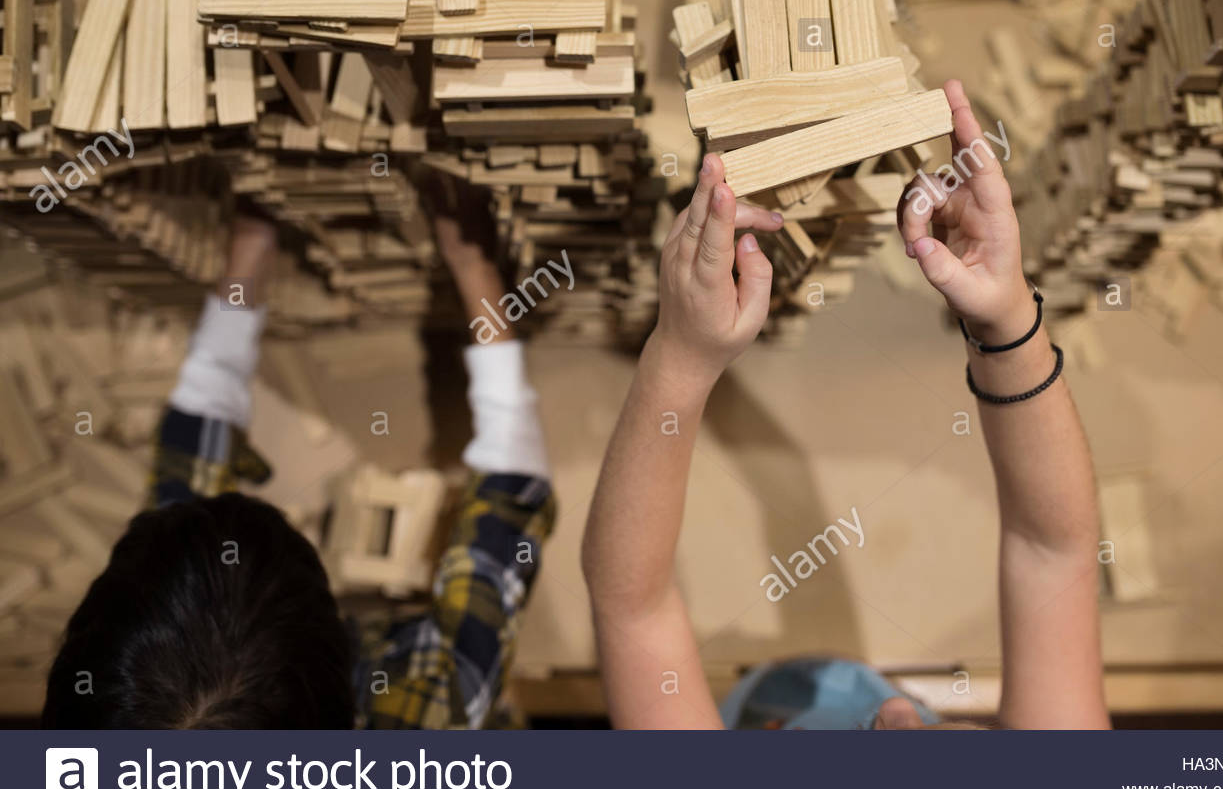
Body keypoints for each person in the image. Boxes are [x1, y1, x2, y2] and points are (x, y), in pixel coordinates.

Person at [581, 80, 1110, 730]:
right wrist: (1007, 322)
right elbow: (1051, 546)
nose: (895, 712)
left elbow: (631, 602)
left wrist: (679, 361)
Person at [42, 191, 555, 729]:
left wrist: (249, 252)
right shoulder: (434, 716)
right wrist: (474, 267)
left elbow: (180, 521)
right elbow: (510, 496)